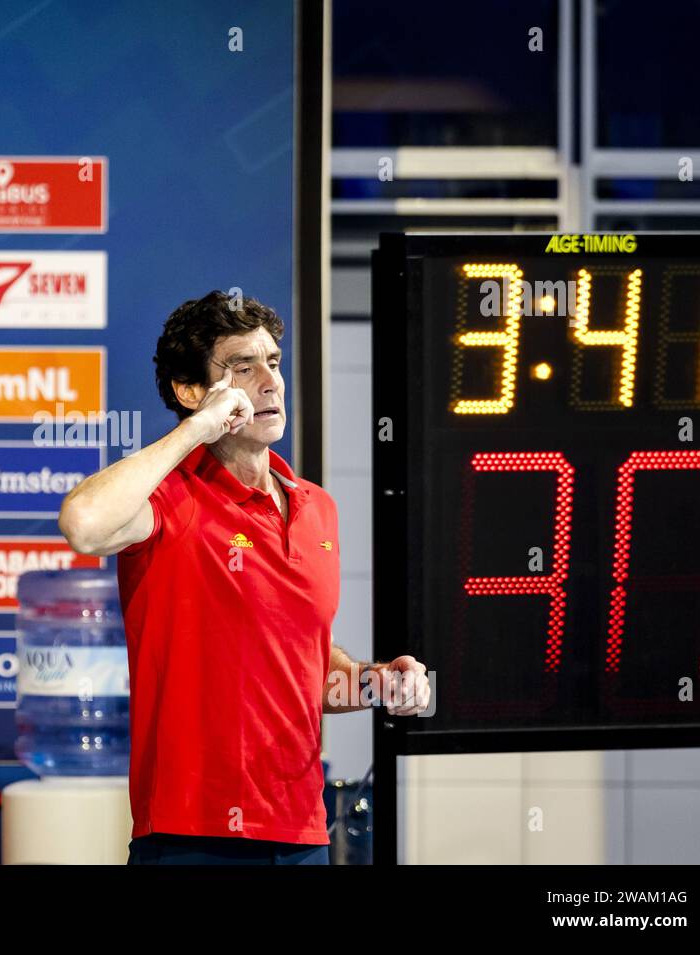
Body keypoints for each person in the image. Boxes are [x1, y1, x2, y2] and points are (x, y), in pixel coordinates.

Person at [58, 290, 431, 865]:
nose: (269, 381)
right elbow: (83, 525)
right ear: (190, 391)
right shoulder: (169, 496)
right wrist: (194, 430)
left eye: (274, 363)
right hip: (191, 835)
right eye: (242, 367)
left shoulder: (318, 508)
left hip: (302, 834)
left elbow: (306, 666)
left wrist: (377, 684)